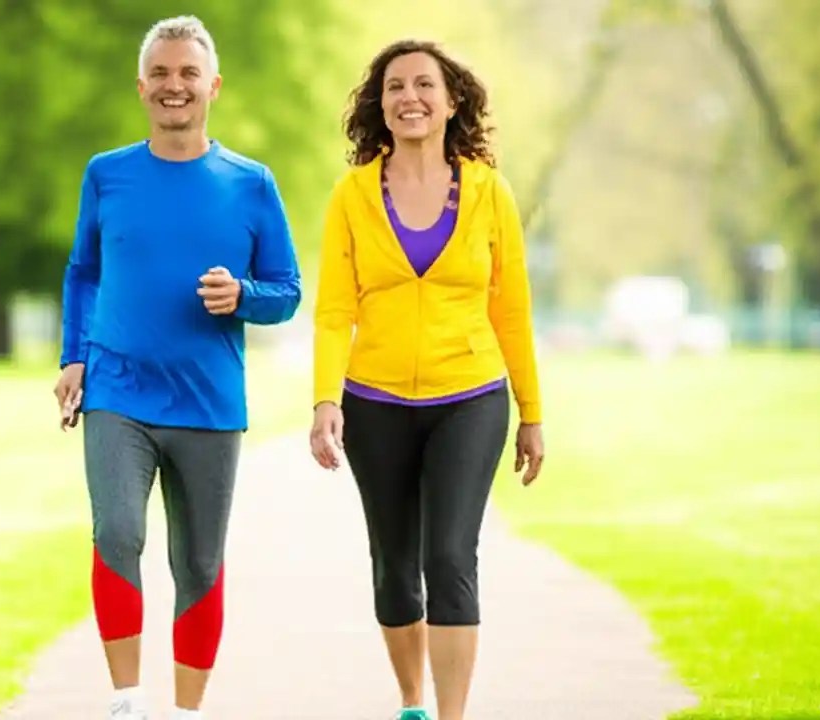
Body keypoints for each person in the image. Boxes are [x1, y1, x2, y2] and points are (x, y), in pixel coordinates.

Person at [53, 15, 302, 720]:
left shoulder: (251, 184)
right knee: (117, 534)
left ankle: (187, 712)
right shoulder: (107, 174)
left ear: (212, 86)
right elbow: (83, 272)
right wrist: (74, 356)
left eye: (188, 73)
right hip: (117, 391)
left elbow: (286, 291)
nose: (174, 86)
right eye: (161, 74)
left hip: (208, 402)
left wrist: (243, 296)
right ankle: (127, 702)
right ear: (141, 87)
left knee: (197, 564)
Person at [308, 39, 546, 720]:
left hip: (469, 398)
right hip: (374, 401)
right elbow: (334, 310)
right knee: (393, 566)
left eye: (423, 85)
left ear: (451, 101)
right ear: (378, 106)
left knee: (448, 557)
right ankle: (412, 701)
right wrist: (326, 400)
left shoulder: (488, 192)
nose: (408, 97)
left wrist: (530, 412)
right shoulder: (352, 194)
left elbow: (513, 309)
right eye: (393, 87)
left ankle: (451, 715)